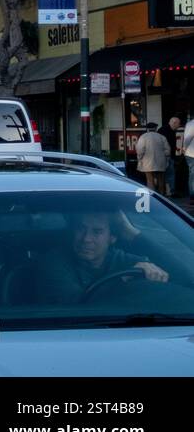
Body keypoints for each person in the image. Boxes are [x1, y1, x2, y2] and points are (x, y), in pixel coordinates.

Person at [36, 209, 169, 304]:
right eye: (80, 229)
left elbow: (180, 276)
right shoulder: (53, 263)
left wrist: (132, 233)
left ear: (112, 237)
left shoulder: (127, 261)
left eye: (97, 232)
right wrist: (123, 279)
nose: (86, 239)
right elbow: (77, 306)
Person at [136, 121, 170, 196]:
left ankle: (152, 197)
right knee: (161, 180)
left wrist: (139, 159)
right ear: (156, 128)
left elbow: (140, 150)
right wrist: (165, 158)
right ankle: (162, 196)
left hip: (147, 163)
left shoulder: (143, 137)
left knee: (150, 181)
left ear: (147, 129)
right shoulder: (162, 137)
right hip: (161, 163)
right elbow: (167, 151)